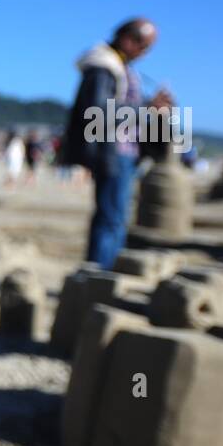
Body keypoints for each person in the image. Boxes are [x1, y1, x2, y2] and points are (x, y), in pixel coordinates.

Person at [62, 18, 173, 267]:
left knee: (114, 218)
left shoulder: (119, 67)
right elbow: (98, 113)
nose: (145, 54)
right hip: (113, 153)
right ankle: (98, 276)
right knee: (111, 219)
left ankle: (100, 273)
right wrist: (147, 106)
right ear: (127, 39)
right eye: (144, 47)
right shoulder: (103, 66)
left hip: (122, 154)